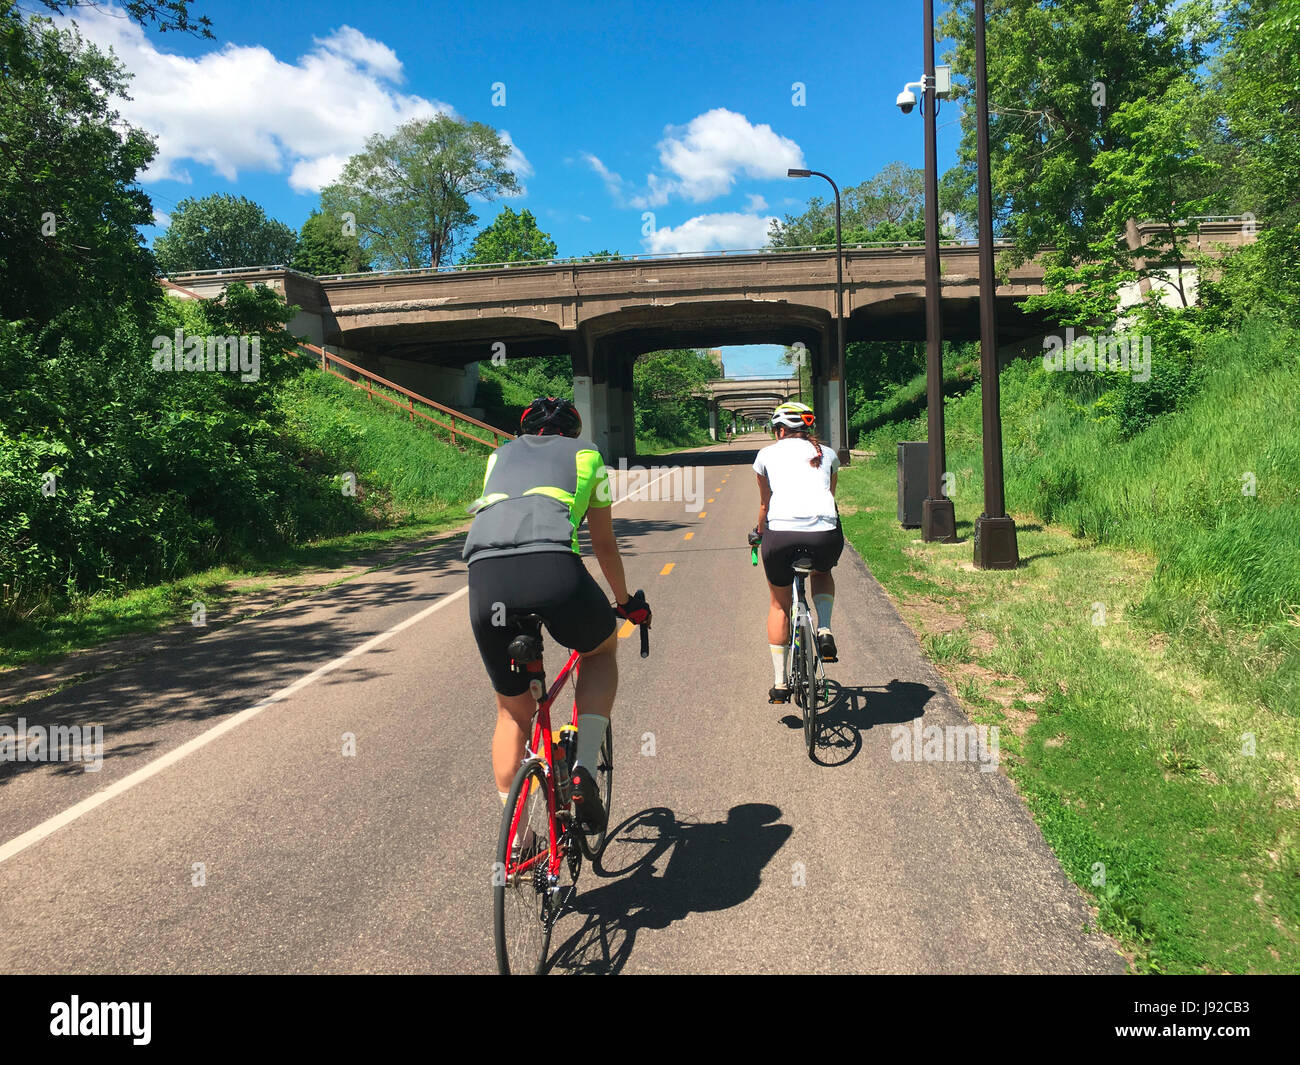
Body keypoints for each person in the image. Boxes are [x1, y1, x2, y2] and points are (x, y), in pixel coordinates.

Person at [463, 397, 651, 831]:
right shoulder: (587, 455)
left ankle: (519, 842)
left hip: (486, 576)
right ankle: (584, 768)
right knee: (600, 651)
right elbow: (603, 544)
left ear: (525, 430)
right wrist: (625, 602)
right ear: (572, 430)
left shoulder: (498, 456)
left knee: (512, 712)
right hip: (552, 568)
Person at [750, 401, 843, 703]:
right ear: (807, 429)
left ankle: (779, 684)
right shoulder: (827, 454)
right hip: (824, 535)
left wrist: (758, 533)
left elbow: (766, 504)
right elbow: (829, 495)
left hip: (781, 536)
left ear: (779, 430)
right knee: (822, 571)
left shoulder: (765, 455)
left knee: (779, 604)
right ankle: (825, 629)